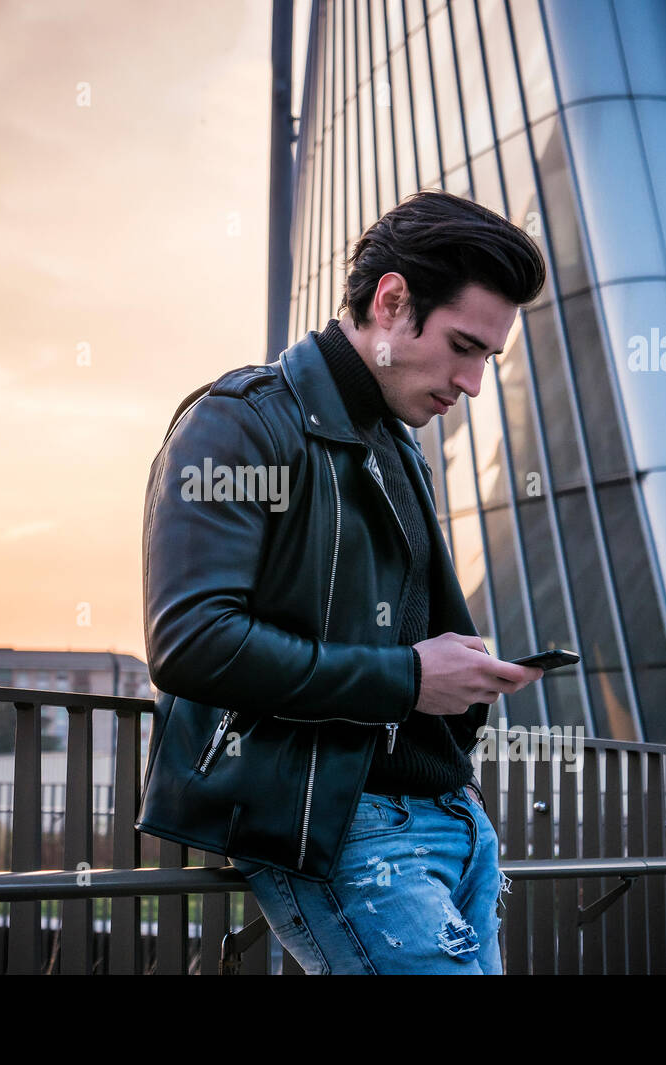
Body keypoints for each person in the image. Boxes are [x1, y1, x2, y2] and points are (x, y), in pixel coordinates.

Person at [136, 189, 548, 974]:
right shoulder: (242, 422)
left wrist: (452, 670)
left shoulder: (396, 445)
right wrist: (409, 677)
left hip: (454, 822)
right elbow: (191, 641)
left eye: (487, 358)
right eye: (464, 346)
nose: (472, 383)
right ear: (392, 301)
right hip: (345, 827)